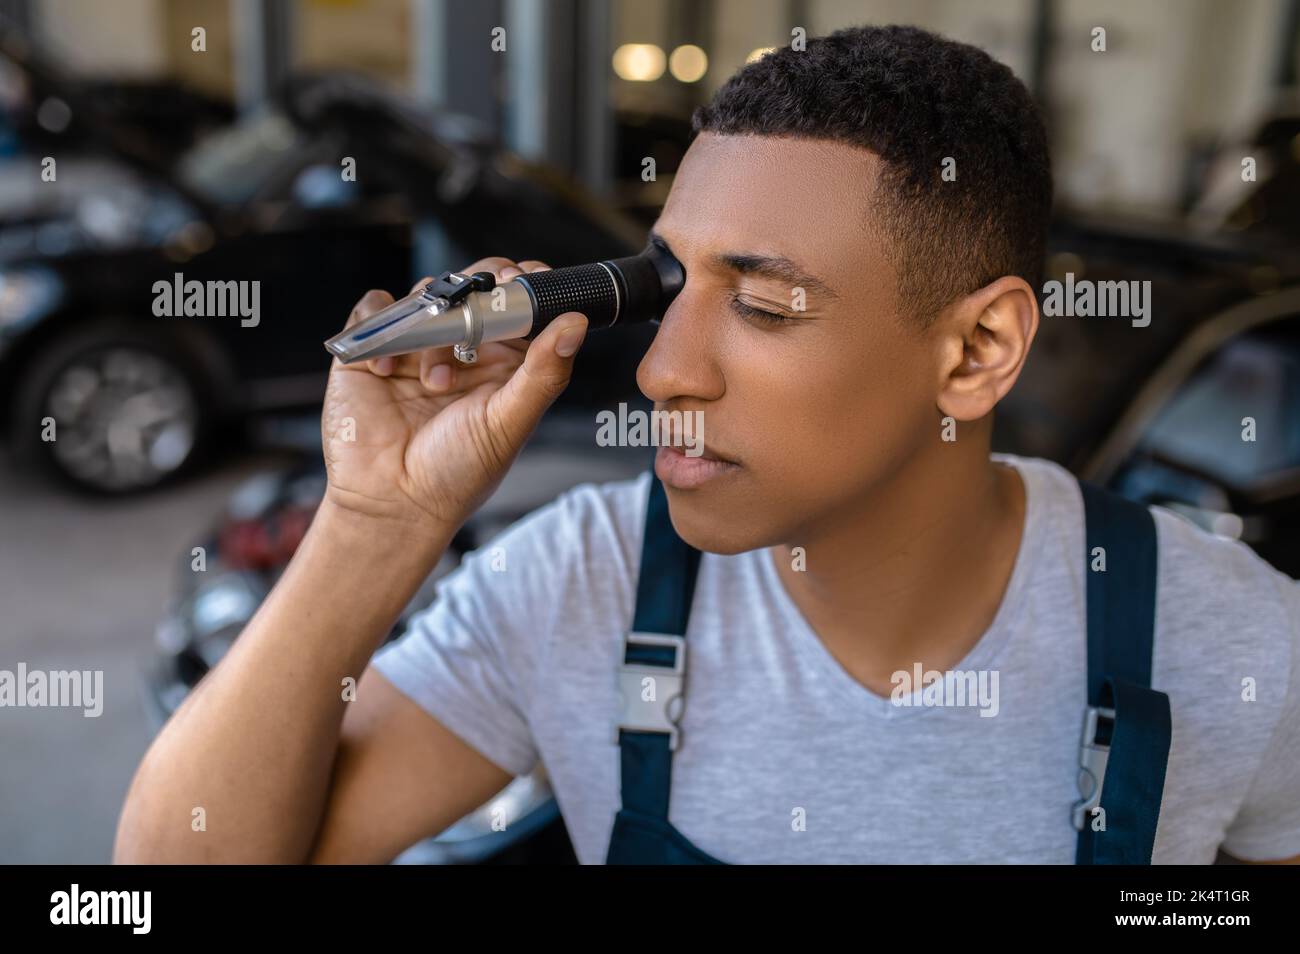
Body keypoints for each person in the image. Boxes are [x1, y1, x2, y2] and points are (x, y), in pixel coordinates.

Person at [115, 24, 1300, 865]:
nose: (666, 368)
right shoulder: (583, 582)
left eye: (768, 304)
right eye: (671, 285)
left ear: (977, 350)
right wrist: (376, 523)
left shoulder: (1221, 640)